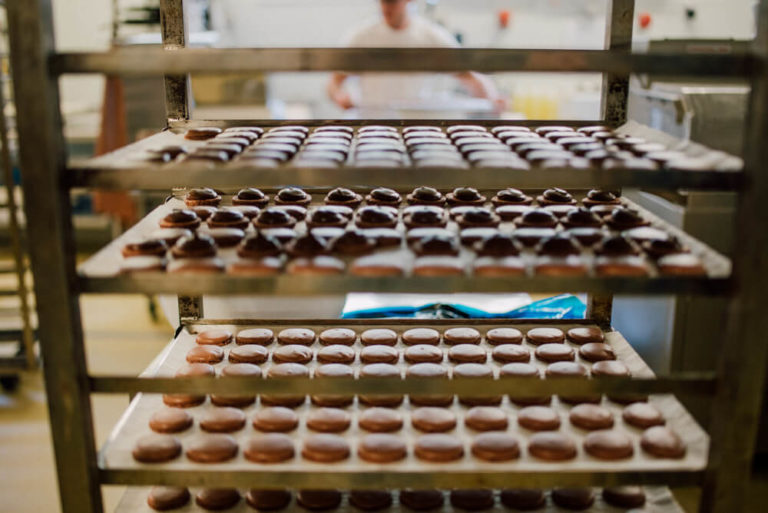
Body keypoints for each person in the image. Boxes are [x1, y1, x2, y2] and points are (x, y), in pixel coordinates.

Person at [327, 0, 505, 115]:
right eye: (382, 2)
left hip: (416, 127)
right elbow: (334, 82)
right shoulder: (361, 36)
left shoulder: (431, 37)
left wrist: (493, 98)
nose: (386, 8)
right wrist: (339, 96)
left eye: (392, 2)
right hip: (370, 126)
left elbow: (468, 77)